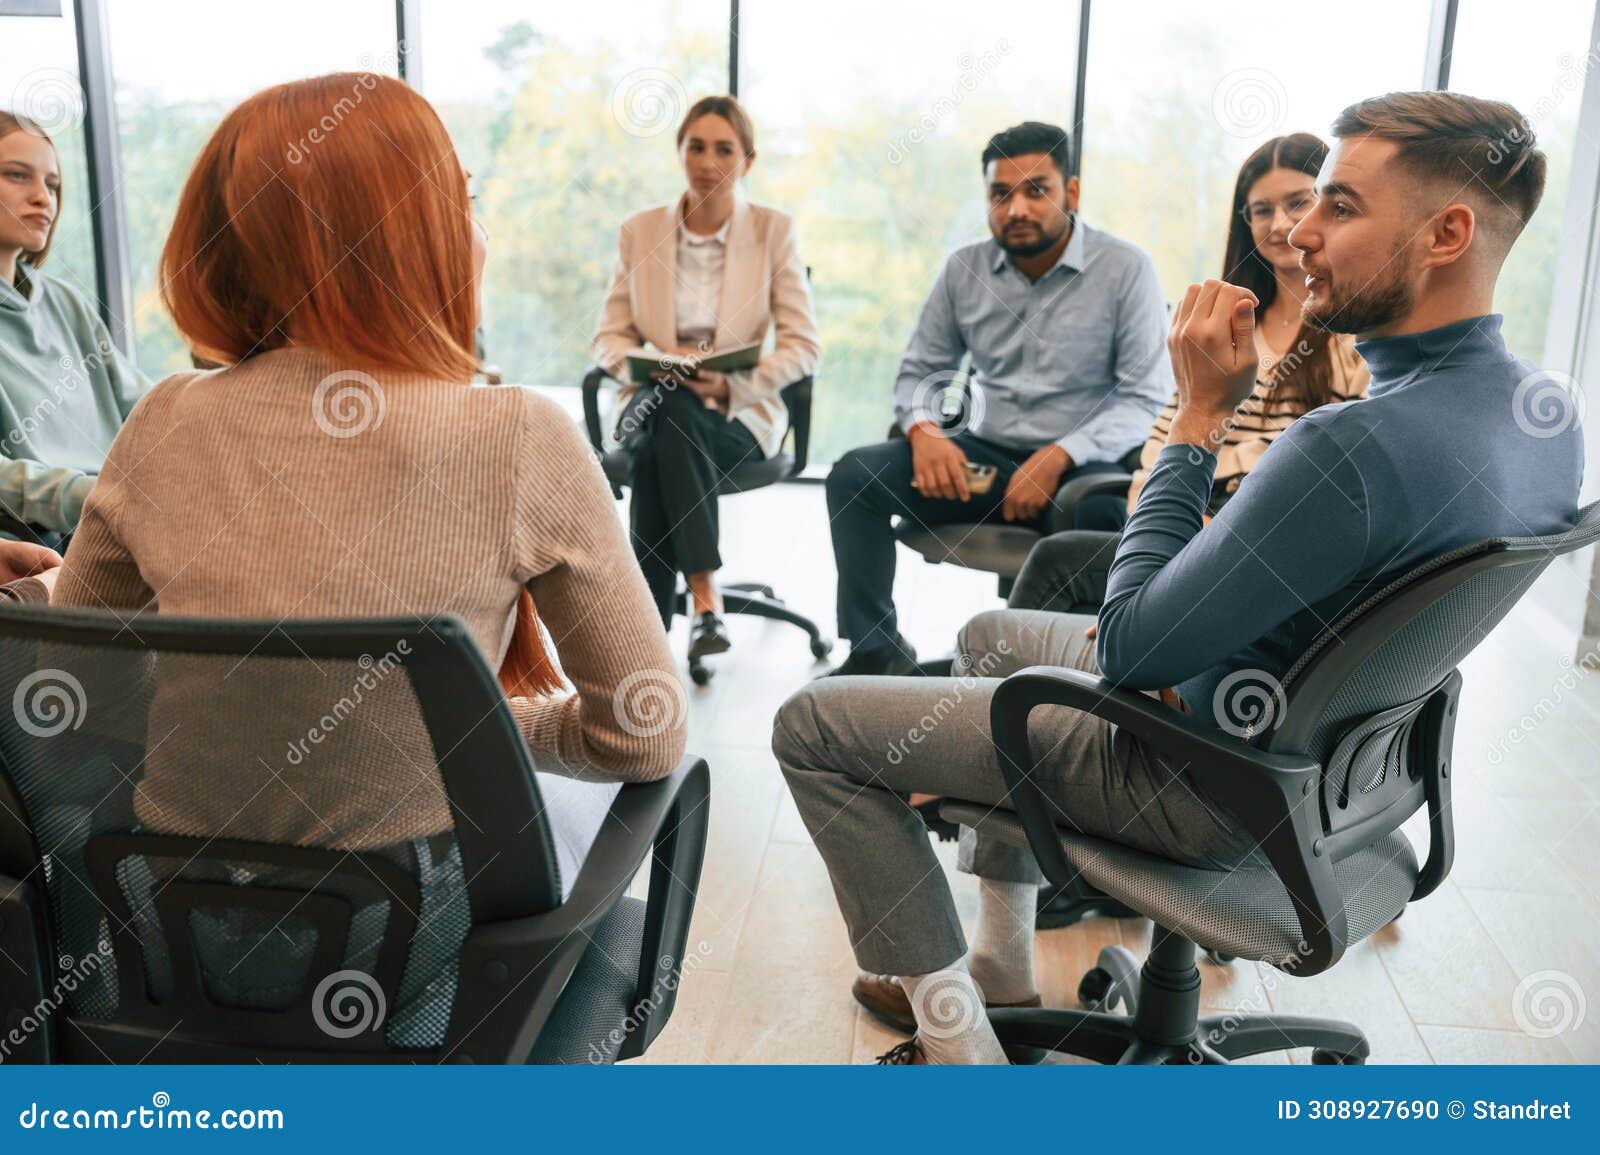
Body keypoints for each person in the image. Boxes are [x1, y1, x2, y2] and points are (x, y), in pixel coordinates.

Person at [773, 90, 1581, 1064]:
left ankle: (963, 1062)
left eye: (1338, 207)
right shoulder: (1544, 414)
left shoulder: (1350, 443)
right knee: (989, 640)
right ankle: (998, 963)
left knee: (810, 727)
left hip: (1205, 782)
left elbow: (1128, 648)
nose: (1300, 237)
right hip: (1338, 768)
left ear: (1447, 232)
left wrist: (1198, 417)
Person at [48, 74, 687, 1044]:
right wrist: (491, 724)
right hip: (401, 957)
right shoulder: (517, 438)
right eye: (459, 199)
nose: (474, 227)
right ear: (416, 233)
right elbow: (642, 736)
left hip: (162, 933)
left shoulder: (165, 420)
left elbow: (70, 689)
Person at [823, 121, 1172, 675]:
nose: (1016, 209)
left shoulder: (1126, 269)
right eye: (1000, 193)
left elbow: (1144, 400)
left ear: (1071, 193)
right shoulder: (965, 270)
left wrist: (1059, 455)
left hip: (1075, 468)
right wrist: (924, 432)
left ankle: (1048, 670)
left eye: (1036, 190)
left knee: (1103, 511)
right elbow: (920, 370)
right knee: (851, 477)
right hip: (980, 458)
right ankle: (874, 649)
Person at [1008, 133, 1370, 617]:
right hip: (1188, 514)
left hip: (1258, 536)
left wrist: (1212, 484)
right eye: (1262, 210)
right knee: (1089, 547)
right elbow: (1169, 435)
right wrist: (1160, 515)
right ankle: (1071, 678)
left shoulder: (1353, 335)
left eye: (1297, 203)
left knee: (1057, 562)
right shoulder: (1224, 325)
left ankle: (1027, 688)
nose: (1281, 223)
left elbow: (1317, 459)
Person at [593, 95, 820, 661]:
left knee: (660, 443)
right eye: (696, 146)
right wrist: (649, 360)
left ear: (748, 161)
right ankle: (704, 602)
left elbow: (803, 346)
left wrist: (730, 386)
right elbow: (608, 337)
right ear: (679, 153)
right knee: (668, 409)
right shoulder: (640, 231)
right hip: (653, 401)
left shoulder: (773, 231)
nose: (708, 161)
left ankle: (642, 636)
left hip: (736, 414)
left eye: (725, 149)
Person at [0, 111, 147, 542]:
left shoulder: (66, 301)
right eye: (16, 175)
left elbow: (146, 406)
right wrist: (100, 497)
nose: (43, 198)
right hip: (48, 554)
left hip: (121, 524)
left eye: (52, 184)